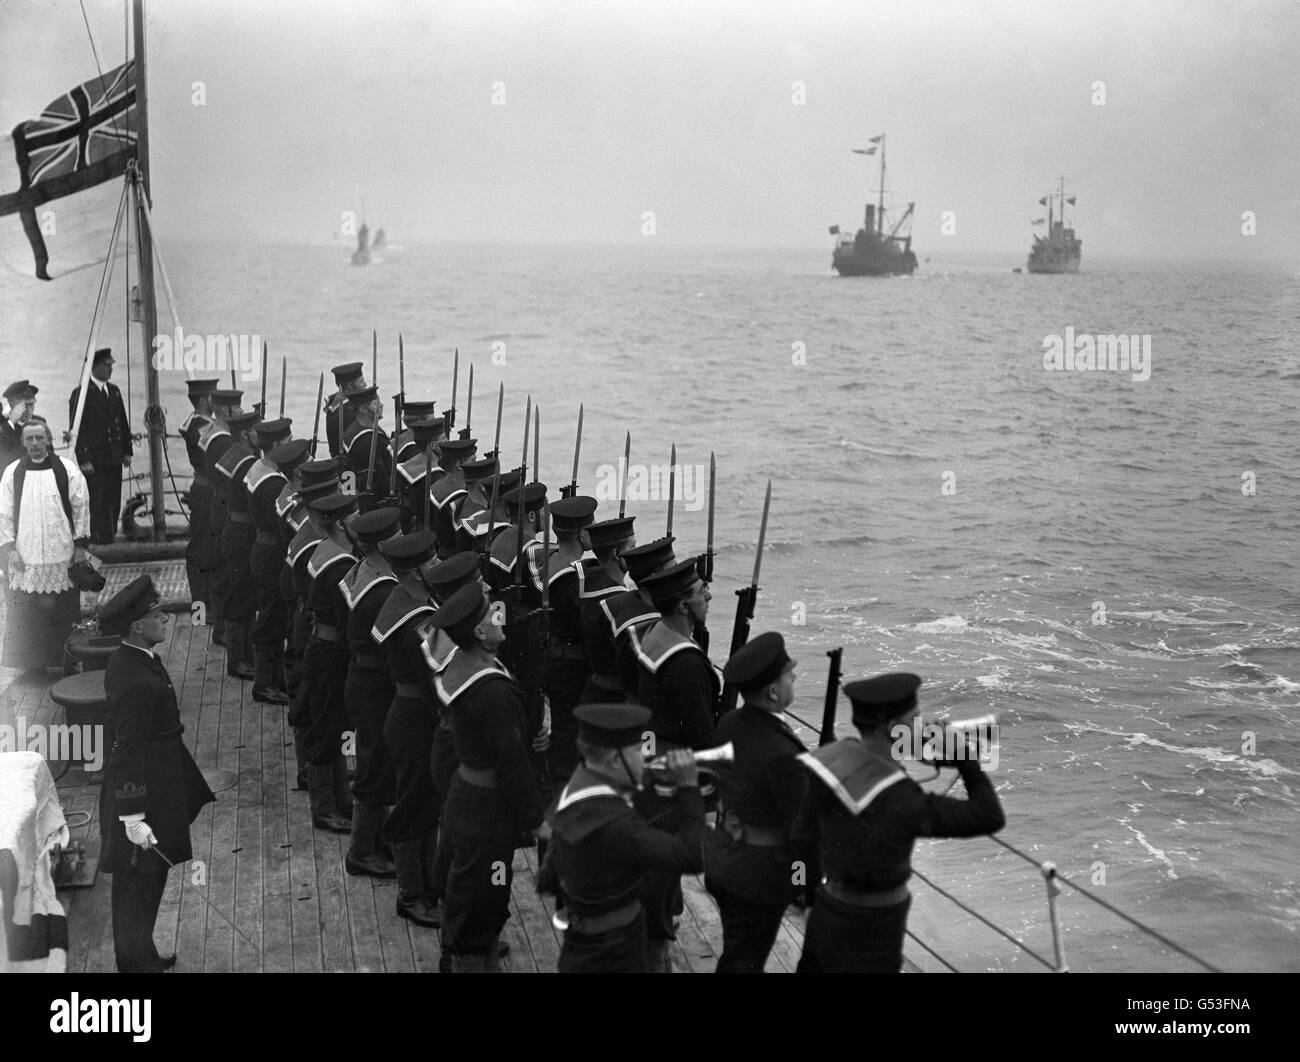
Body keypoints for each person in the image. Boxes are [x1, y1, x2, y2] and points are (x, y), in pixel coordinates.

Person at [795, 672, 1006, 973]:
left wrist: (801, 894)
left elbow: (799, 841)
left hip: (825, 914)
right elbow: (989, 815)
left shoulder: (828, 761)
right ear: (896, 728)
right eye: (916, 719)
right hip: (876, 930)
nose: (923, 727)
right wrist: (963, 758)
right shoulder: (904, 801)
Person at [98, 575, 215, 972]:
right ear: (136, 625)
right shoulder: (136, 680)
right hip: (144, 788)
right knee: (138, 883)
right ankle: (133, 965)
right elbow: (127, 750)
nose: (165, 618)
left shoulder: (133, 657)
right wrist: (132, 817)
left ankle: (141, 953)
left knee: (151, 877)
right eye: (156, 614)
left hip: (159, 775)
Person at [541, 703, 707, 973]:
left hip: (584, 943)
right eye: (638, 752)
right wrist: (688, 788)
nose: (644, 757)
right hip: (614, 953)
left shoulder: (578, 787)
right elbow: (692, 855)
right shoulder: (616, 826)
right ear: (616, 760)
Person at [430, 581, 543, 972]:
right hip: (488, 814)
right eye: (493, 614)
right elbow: (512, 762)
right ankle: (467, 958)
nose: (500, 615)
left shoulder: (468, 666)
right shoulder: (492, 692)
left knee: (483, 886)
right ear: (479, 632)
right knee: (483, 890)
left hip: (467, 799)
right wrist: (535, 818)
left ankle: (480, 951)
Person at [705, 632, 813, 973]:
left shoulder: (730, 722)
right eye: (788, 673)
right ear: (773, 691)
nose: (793, 676)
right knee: (743, 962)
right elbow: (801, 833)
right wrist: (803, 890)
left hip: (724, 857)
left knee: (737, 952)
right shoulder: (783, 754)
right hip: (758, 877)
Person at [0, 417, 90, 680]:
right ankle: (33, 666)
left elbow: (81, 507)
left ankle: (68, 661)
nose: (35, 443)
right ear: (23, 443)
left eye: (40, 438)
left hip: (60, 553)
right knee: (28, 611)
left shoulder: (67, 469)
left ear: (49, 440)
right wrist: (9, 549)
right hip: (25, 554)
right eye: (29, 439)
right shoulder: (13, 472)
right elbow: (3, 513)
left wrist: (81, 545)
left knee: (64, 610)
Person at [340, 506, 402, 877]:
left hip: (362, 676)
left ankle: (375, 840)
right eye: (395, 535)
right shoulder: (382, 590)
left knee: (374, 760)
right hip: (375, 682)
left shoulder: (363, 571)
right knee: (376, 765)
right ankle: (361, 850)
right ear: (383, 544)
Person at [68, 347, 132, 545]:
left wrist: (127, 451)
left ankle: (109, 536)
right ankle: (95, 539)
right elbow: (77, 428)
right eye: (106, 366)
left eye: (111, 366)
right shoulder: (81, 394)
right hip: (95, 460)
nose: (110, 369)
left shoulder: (114, 391)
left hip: (114, 456)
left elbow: (122, 421)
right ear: (94, 367)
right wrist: (84, 459)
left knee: (113, 497)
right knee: (96, 499)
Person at [177, 379, 219, 610]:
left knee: (208, 546)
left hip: (204, 489)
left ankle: (206, 604)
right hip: (206, 491)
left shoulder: (195, 422)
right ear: (204, 400)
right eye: (214, 397)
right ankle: (201, 609)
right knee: (202, 548)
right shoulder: (202, 428)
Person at [1, 379, 38, 470]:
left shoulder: (39, 424)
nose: (29, 410)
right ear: (11, 404)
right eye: (25, 405)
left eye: (31, 405)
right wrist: (11, 422)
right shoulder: (2, 424)